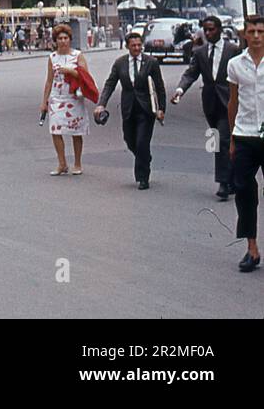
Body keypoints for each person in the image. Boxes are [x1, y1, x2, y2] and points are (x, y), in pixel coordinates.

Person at [174, 15, 241, 200]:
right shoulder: (201, 52)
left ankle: (223, 183)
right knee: (218, 140)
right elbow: (191, 74)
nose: (209, 33)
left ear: (220, 30)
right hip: (210, 103)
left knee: (222, 140)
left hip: (229, 102)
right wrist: (180, 90)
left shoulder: (233, 50)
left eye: (212, 29)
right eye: (206, 30)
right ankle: (232, 178)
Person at [96, 31, 165, 189]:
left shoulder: (151, 62)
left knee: (142, 142)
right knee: (130, 140)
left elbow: (159, 87)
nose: (137, 48)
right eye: (133, 45)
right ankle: (145, 158)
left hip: (146, 110)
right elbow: (110, 84)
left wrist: (161, 109)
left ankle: (143, 177)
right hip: (128, 108)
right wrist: (102, 104)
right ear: (127, 46)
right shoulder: (120, 63)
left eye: (139, 45)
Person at [226, 15, 264, 272]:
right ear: (244, 34)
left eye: (261, 31)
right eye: (252, 31)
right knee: (244, 192)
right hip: (244, 136)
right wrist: (231, 138)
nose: (257, 36)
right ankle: (252, 248)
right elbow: (233, 102)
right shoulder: (235, 64)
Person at [40, 24, 90, 176]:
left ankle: (77, 163)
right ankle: (62, 163)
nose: (63, 41)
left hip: (74, 97)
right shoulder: (52, 57)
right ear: (55, 41)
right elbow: (49, 80)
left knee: (76, 131)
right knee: (55, 130)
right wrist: (44, 101)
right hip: (57, 97)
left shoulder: (77, 55)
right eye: (60, 38)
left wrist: (70, 71)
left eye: (65, 38)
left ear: (70, 39)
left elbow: (85, 76)